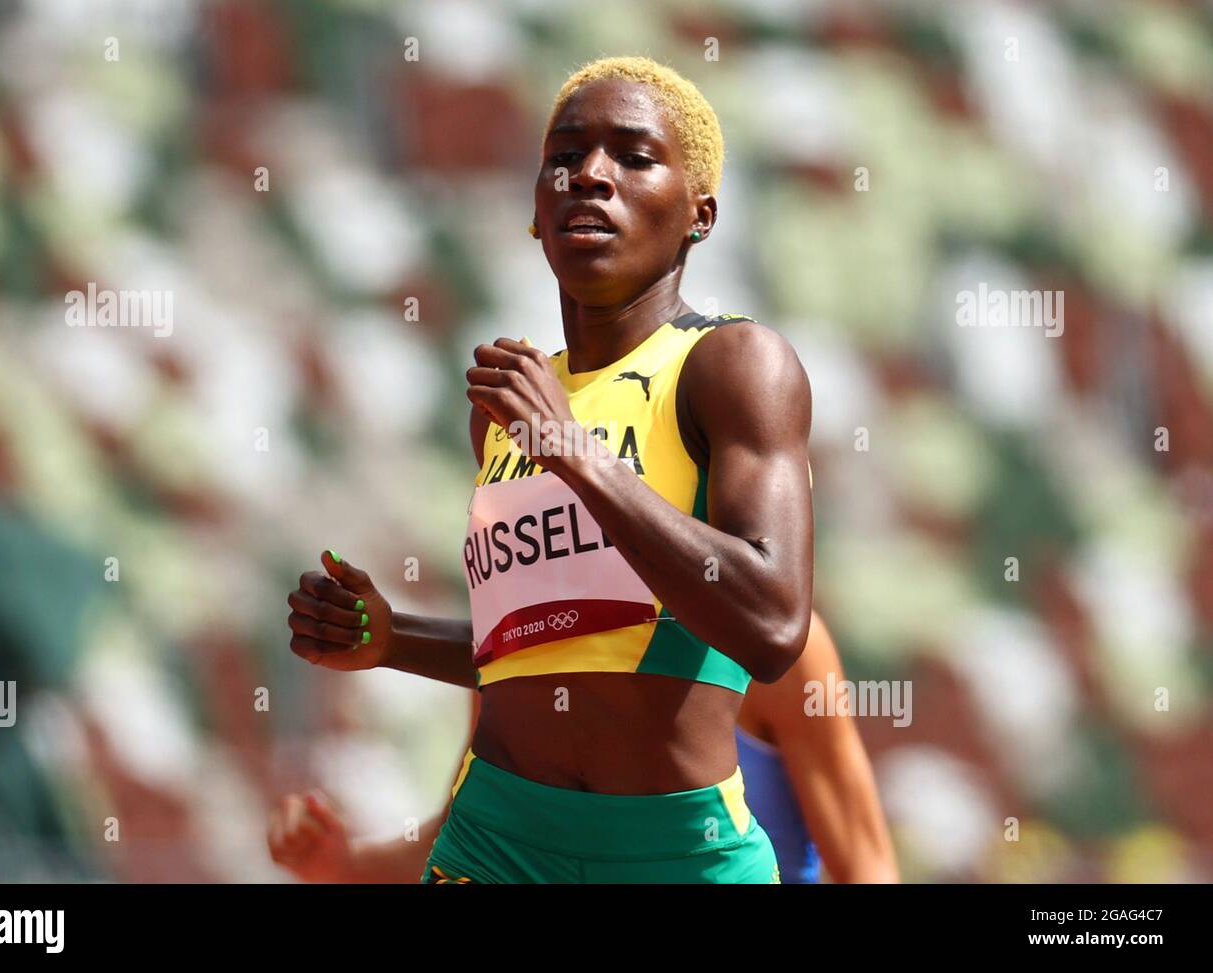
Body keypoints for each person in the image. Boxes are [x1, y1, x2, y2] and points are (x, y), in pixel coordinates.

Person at [286, 55, 814, 883]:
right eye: (565, 156)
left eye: (634, 158)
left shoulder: (733, 365)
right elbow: (551, 648)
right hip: (496, 839)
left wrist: (577, 456)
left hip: (677, 850)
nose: (590, 177)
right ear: (536, 209)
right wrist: (392, 638)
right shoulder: (508, 404)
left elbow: (774, 625)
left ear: (699, 214)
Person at [269, 612, 899, 883]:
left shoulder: (781, 646)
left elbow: (865, 864)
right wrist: (346, 866)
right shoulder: (518, 646)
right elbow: (473, 843)